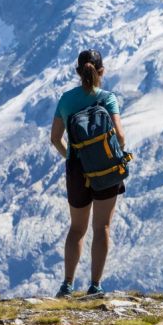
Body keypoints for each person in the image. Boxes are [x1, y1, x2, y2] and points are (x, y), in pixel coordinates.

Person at [50, 49, 127, 298]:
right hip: (105, 169)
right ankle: (95, 285)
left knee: (76, 229)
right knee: (102, 226)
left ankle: (67, 285)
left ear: (77, 72)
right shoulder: (107, 98)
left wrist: (73, 156)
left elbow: (55, 138)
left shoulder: (66, 99)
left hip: (77, 171)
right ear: (101, 71)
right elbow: (121, 137)